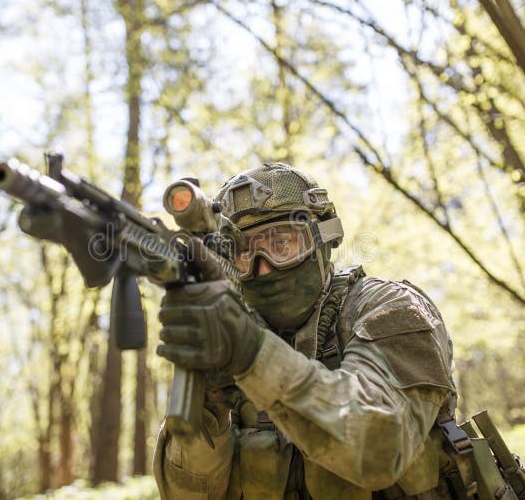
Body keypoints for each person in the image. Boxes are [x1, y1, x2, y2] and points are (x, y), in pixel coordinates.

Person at [152, 162, 464, 499]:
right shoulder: (226, 337)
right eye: (243, 254)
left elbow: (380, 448)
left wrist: (251, 355)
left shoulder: (391, 309)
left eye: (282, 244)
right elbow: (187, 494)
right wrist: (210, 401)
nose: (263, 266)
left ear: (323, 239)